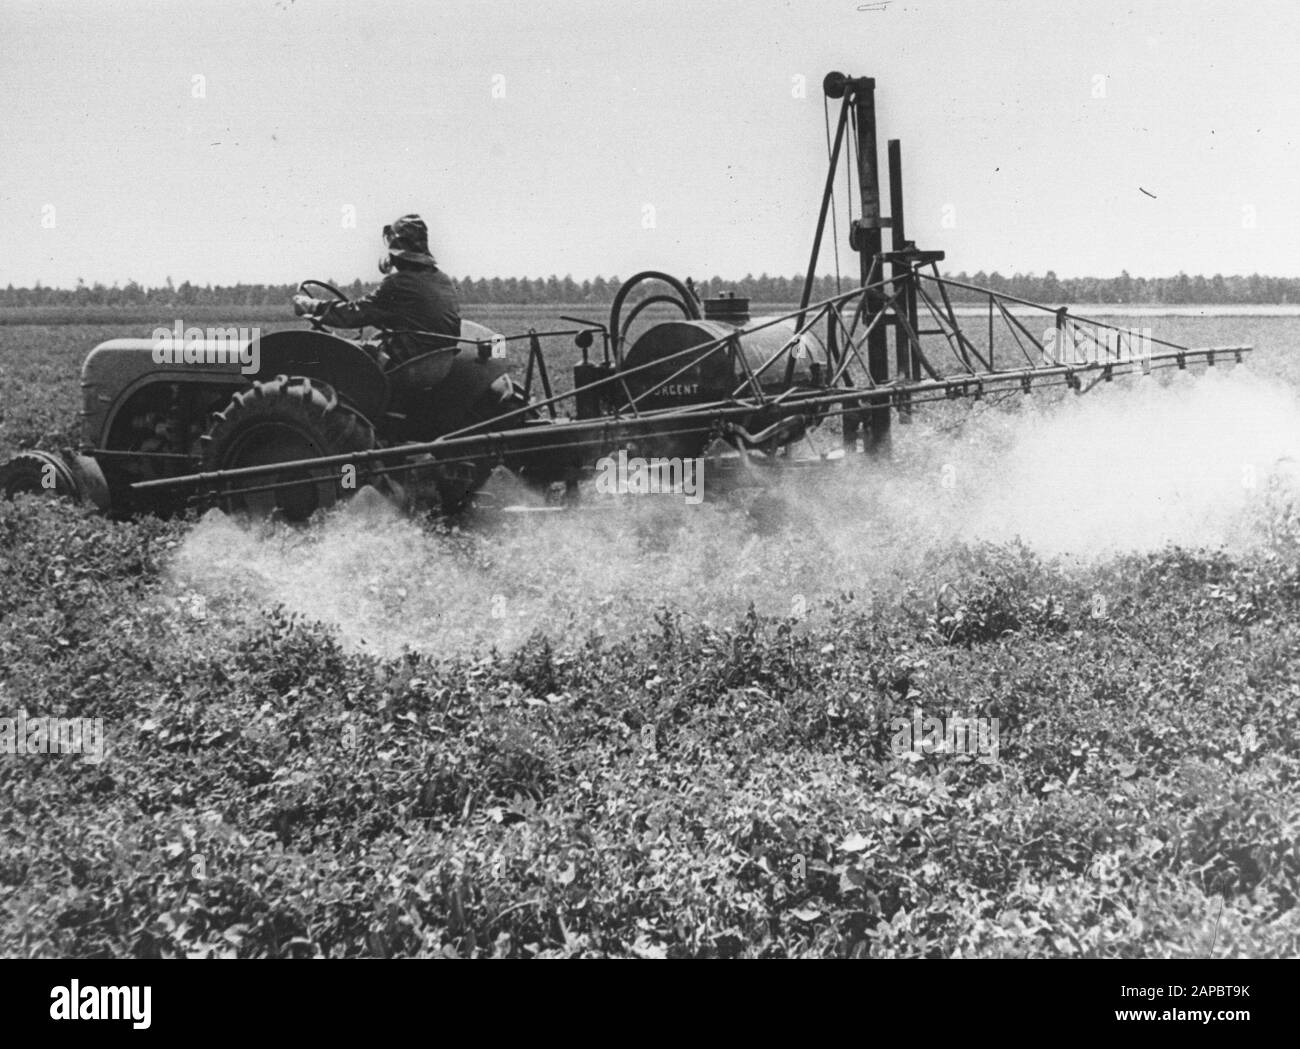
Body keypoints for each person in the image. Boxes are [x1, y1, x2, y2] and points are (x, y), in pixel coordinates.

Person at [292, 214, 461, 368]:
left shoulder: (398, 283)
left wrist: (313, 307)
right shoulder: (443, 279)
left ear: (394, 254)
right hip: (439, 363)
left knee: (330, 351)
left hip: (407, 363)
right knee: (372, 341)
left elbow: (355, 313)